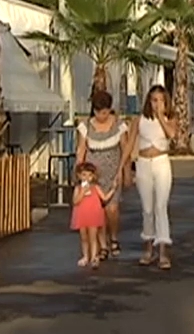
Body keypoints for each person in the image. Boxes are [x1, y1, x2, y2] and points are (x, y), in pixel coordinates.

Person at [123, 85, 177, 270]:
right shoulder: (139, 120)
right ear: (149, 101)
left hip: (161, 163)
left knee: (160, 206)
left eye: (161, 100)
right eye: (154, 100)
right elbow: (130, 144)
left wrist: (161, 116)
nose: (157, 104)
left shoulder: (170, 119)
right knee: (147, 208)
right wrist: (124, 168)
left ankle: (163, 251)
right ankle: (148, 248)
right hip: (143, 164)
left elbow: (171, 135)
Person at [75, 90, 129, 259]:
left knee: (112, 208)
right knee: (97, 210)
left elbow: (125, 150)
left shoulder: (119, 126)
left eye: (105, 112)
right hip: (93, 176)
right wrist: (79, 174)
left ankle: (113, 237)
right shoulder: (86, 127)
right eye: (98, 112)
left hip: (113, 173)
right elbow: (81, 150)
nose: (101, 116)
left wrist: (125, 172)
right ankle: (102, 244)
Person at [71, 162, 117, 269]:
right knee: (84, 238)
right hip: (82, 215)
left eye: (89, 175)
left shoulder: (95, 187)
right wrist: (82, 192)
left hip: (94, 214)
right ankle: (86, 256)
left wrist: (113, 189)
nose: (87, 178)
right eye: (84, 175)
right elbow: (75, 201)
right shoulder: (78, 188)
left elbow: (104, 198)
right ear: (79, 175)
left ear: (93, 176)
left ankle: (94, 257)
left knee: (93, 237)